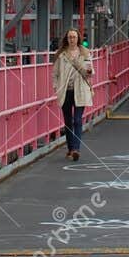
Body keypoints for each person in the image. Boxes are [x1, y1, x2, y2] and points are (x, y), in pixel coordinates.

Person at [51, 28, 94, 161]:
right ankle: (70, 149)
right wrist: (56, 87)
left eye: (74, 37)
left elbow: (91, 72)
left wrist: (88, 70)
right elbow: (55, 74)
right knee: (68, 122)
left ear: (78, 38)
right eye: (70, 37)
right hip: (65, 91)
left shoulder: (84, 53)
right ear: (66, 39)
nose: (72, 39)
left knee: (77, 120)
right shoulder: (61, 55)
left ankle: (76, 149)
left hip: (79, 90)